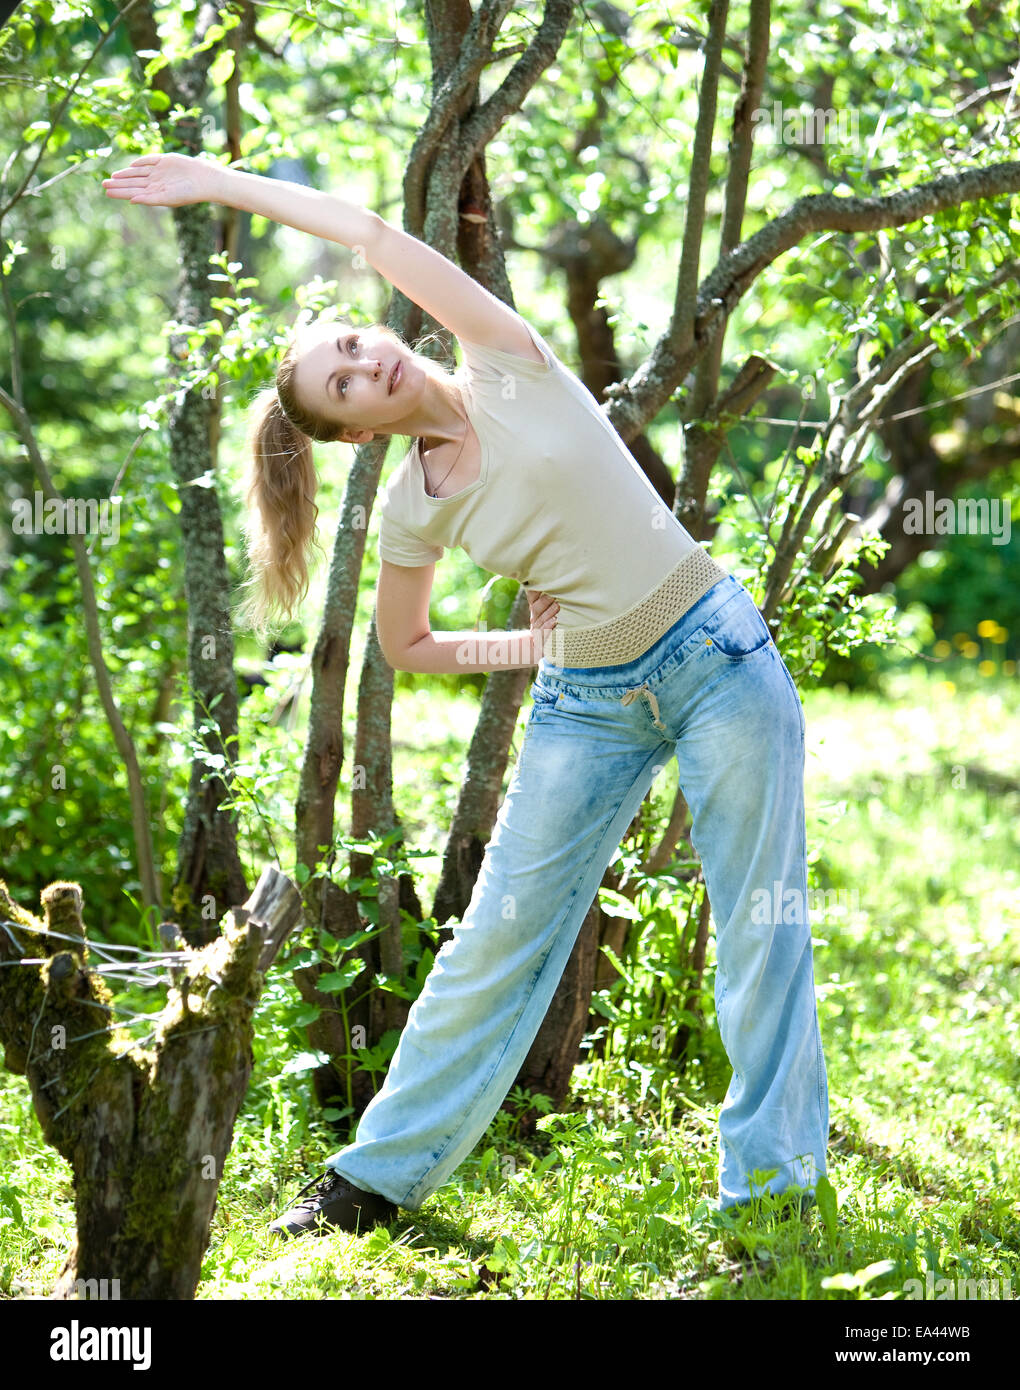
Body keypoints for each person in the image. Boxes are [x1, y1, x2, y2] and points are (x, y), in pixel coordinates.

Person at [103, 153, 829, 1236]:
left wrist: (220, 184)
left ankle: (770, 1197)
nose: (363, 367)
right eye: (339, 386)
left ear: (384, 332)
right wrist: (522, 650)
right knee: (494, 935)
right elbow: (407, 644)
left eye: (353, 345)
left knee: (758, 920)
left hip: (713, 653)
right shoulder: (413, 509)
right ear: (350, 433)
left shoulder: (504, 357)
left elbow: (367, 233)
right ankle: (372, 1181)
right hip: (587, 698)